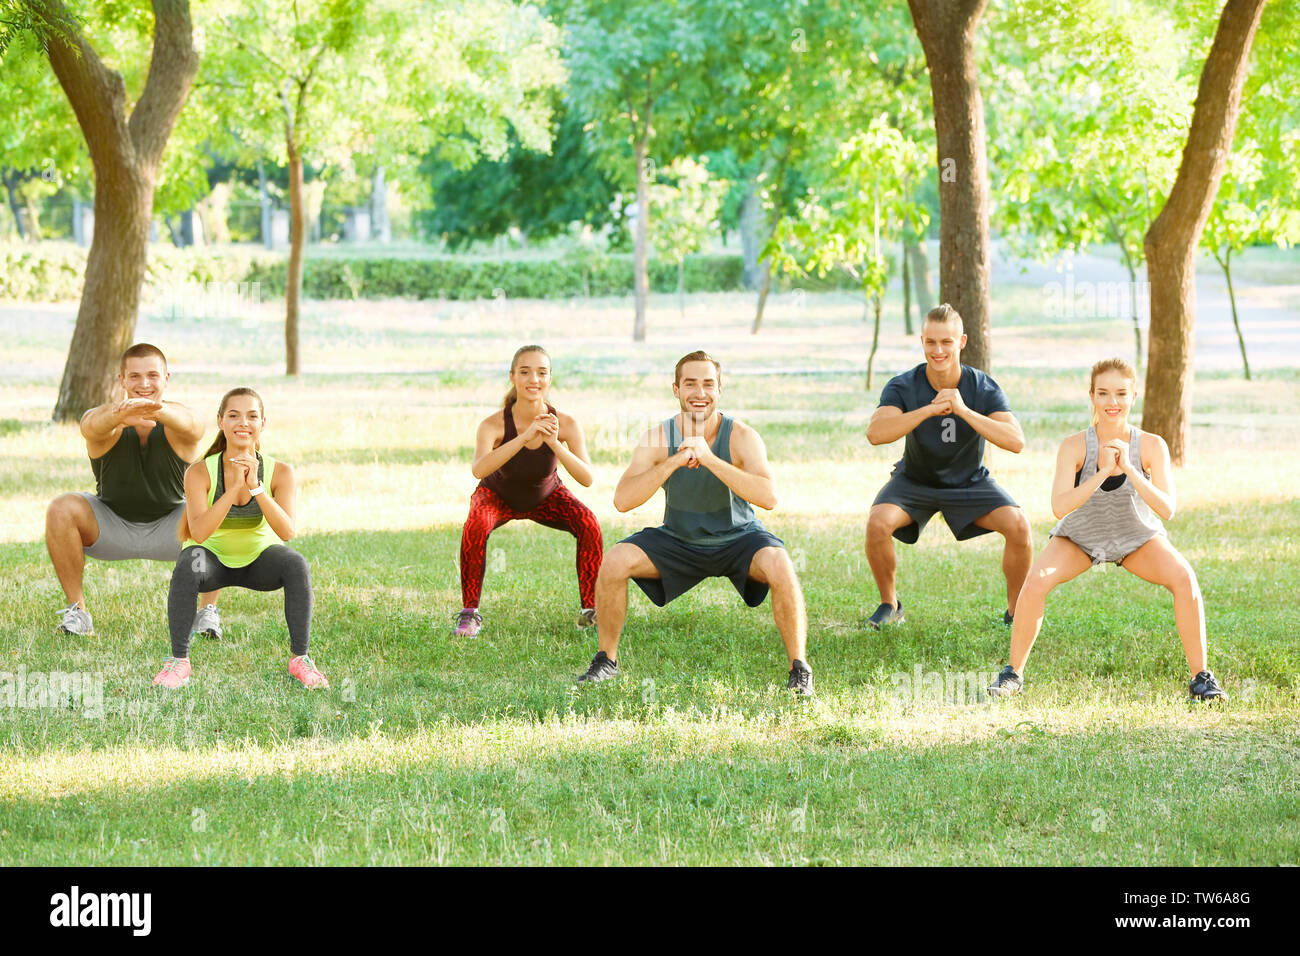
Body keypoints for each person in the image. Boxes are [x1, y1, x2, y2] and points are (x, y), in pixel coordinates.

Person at [987, 358, 1227, 701]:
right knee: (1036, 580)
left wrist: (1128, 467)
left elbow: (1167, 508)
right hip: (1080, 538)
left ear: (1133, 397)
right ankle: (1012, 675)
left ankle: (1201, 679)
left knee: (1184, 577)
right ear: (1092, 396)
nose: (1112, 402)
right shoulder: (1074, 446)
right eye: (1103, 393)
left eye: (1120, 393)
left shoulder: (1151, 445)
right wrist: (1101, 473)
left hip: (1136, 538)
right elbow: (1059, 506)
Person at [580, 350, 813, 695]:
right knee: (615, 560)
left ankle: (799, 669)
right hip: (678, 540)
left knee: (780, 563)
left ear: (720, 389)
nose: (699, 392)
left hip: (739, 539)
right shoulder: (658, 437)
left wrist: (709, 458)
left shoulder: (742, 436)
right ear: (676, 388)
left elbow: (769, 498)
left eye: (708, 384)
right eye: (690, 383)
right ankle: (606, 660)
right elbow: (623, 500)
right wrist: (674, 461)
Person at [864, 304, 1032, 629]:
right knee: (877, 523)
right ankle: (890, 604)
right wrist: (928, 410)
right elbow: (875, 433)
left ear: (962, 342)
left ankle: (1015, 611)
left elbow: (1016, 441)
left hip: (969, 482)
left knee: (1019, 526)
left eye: (947, 342)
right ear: (922, 341)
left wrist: (964, 410)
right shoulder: (903, 385)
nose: (938, 350)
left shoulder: (982, 386)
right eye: (931, 342)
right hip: (914, 480)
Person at [153, 387, 328, 689]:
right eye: (233, 415)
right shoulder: (199, 472)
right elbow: (199, 532)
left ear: (263, 423)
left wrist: (257, 487)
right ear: (220, 421)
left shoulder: (280, 472)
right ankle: (178, 662)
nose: (242, 423)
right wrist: (233, 489)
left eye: (252, 416)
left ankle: (301, 659)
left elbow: (286, 531)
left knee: (296, 563)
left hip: (258, 561)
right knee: (187, 562)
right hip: (211, 563)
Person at [45, 343, 222, 639]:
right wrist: (119, 415)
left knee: (218, 502)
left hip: (173, 529)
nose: (144, 384)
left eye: (153, 375)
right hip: (110, 524)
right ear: (122, 380)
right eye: (135, 376)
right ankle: (78, 612)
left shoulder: (177, 421)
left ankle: (206, 615)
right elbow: (89, 426)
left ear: (166, 379)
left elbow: (196, 427)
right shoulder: (108, 420)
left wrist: (156, 411)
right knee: (61, 508)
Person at [454, 345, 603, 637]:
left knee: (589, 523)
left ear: (550, 378)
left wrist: (554, 442)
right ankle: (469, 614)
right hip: (497, 496)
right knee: (476, 524)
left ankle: (590, 609)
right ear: (513, 377)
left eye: (541, 372)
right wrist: (525, 437)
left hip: (546, 496)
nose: (533, 379)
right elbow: (479, 469)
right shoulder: (493, 424)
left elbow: (587, 478)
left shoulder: (568, 423)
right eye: (525, 372)